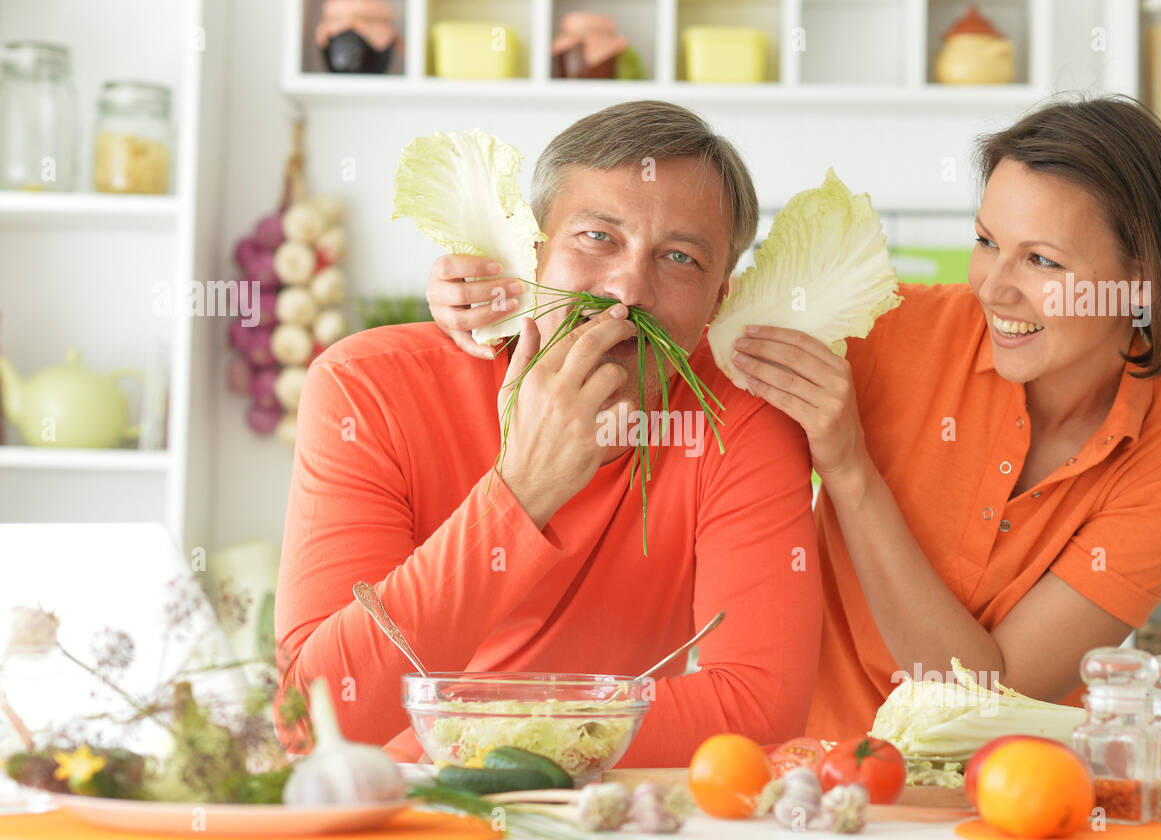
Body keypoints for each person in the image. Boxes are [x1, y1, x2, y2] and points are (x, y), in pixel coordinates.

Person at [274, 100, 822, 765]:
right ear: (532, 252)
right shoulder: (369, 388)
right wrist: (523, 488)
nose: (628, 291)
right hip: (405, 816)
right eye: (598, 237)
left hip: (607, 817)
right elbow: (315, 717)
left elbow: (759, 705)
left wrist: (483, 737)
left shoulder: (742, 419)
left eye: (679, 257)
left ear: (720, 301)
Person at [730, 96, 1161, 739]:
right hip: (805, 776)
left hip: (1007, 801)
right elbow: (696, 342)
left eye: (1041, 260)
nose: (993, 288)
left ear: (1141, 282)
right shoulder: (881, 331)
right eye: (986, 241)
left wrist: (850, 471)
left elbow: (986, 702)